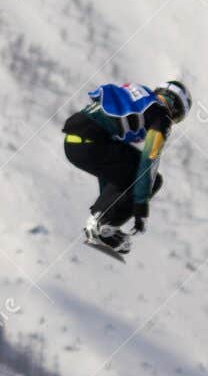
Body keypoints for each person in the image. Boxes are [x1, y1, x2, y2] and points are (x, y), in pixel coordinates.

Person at [61, 80, 191, 255]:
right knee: (153, 179)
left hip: (72, 143)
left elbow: (112, 170)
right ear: (175, 107)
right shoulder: (161, 116)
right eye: (178, 117)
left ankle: (101, 223)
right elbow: (149, 160)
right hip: (90, 143)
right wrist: (140, 209)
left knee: (126, 172)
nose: (173, 121)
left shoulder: (139, 93)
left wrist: (106, 205)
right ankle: (101, 225)